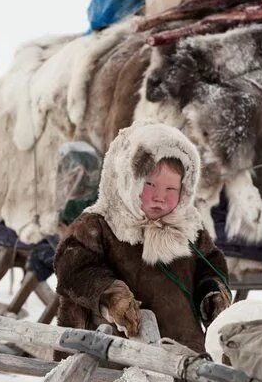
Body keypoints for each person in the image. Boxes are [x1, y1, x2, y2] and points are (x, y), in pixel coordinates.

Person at [55, 121, 231, 351]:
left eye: (171, 189)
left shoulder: (189, 228)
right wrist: (111, 295)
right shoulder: (99, 224)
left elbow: (210, 263)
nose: (160, 197)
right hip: (107, 355)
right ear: (127, 179)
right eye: (150, 185)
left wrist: (211, 291)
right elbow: (73, 270)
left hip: (182, 350)